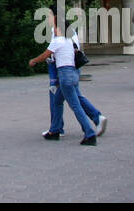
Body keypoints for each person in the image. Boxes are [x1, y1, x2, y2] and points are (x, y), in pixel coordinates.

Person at [29, 9, 100, 145]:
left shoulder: (58, 41)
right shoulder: (68, 41)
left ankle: (90, 134)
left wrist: (33, 61)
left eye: (55, 27)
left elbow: (45, 55)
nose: (53, 30)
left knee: (75, 106)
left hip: (65, 76)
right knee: (57, 101)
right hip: (73, 73)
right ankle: (55, 130)